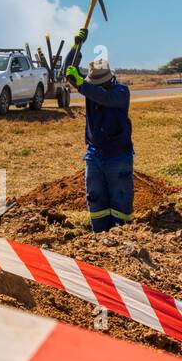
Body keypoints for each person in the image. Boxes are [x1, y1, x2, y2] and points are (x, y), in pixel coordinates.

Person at [64, 28, 134, 233]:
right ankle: (98, 237)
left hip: (118, 155)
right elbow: (69, 70)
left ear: (110, 80)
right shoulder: (91, 87)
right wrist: (76, 46)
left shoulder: (121, 92)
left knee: (120, 200)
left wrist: (82, 85)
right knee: (95, 198)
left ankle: (121, 236)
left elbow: (102, 97)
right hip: (94, 154)